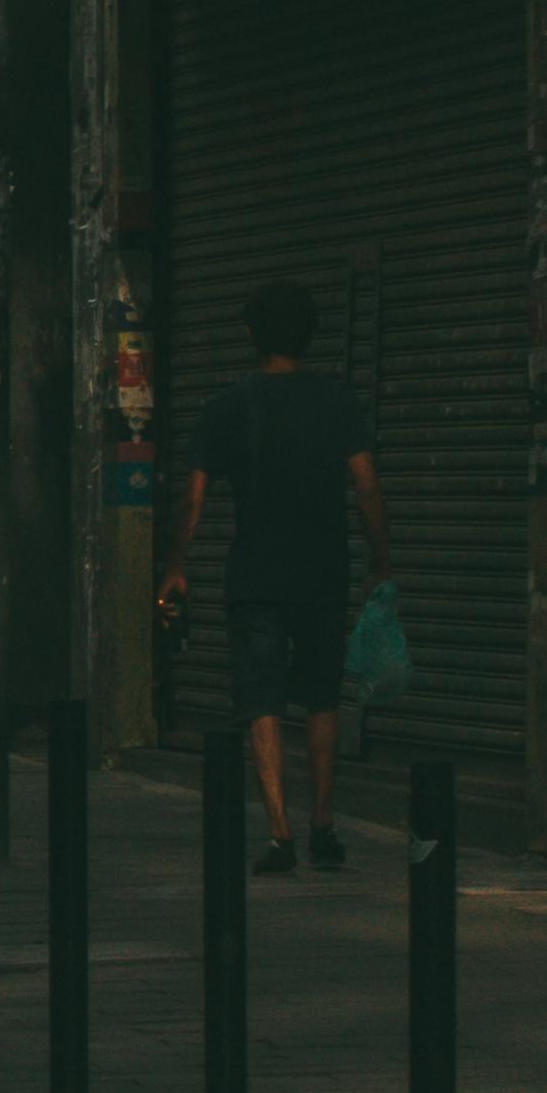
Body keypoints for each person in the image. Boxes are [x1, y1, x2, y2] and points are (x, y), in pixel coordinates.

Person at [160, 276, 391, 873]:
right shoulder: (338, 401)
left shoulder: (227, 405)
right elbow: (366, 485)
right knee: (321, 697)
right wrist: (382, 563)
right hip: (323, 569)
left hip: (255, 573)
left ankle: (280, 833)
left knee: (261, 698)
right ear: (310, 335)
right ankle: (323, 824)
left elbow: (195, 495)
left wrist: (178, 567)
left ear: (250, 335)